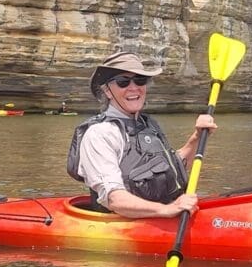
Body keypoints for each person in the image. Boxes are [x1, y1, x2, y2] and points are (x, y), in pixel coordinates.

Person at [67, 51, 217, 218]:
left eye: (140, 80)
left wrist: (196, 137)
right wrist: (167, 210)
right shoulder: (100, 134)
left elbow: (174, 168)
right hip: (125, 225)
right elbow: (114, 199)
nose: (133, 87)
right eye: (123, 82)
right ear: (107, 91)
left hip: (172, 214)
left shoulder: (148, 125)